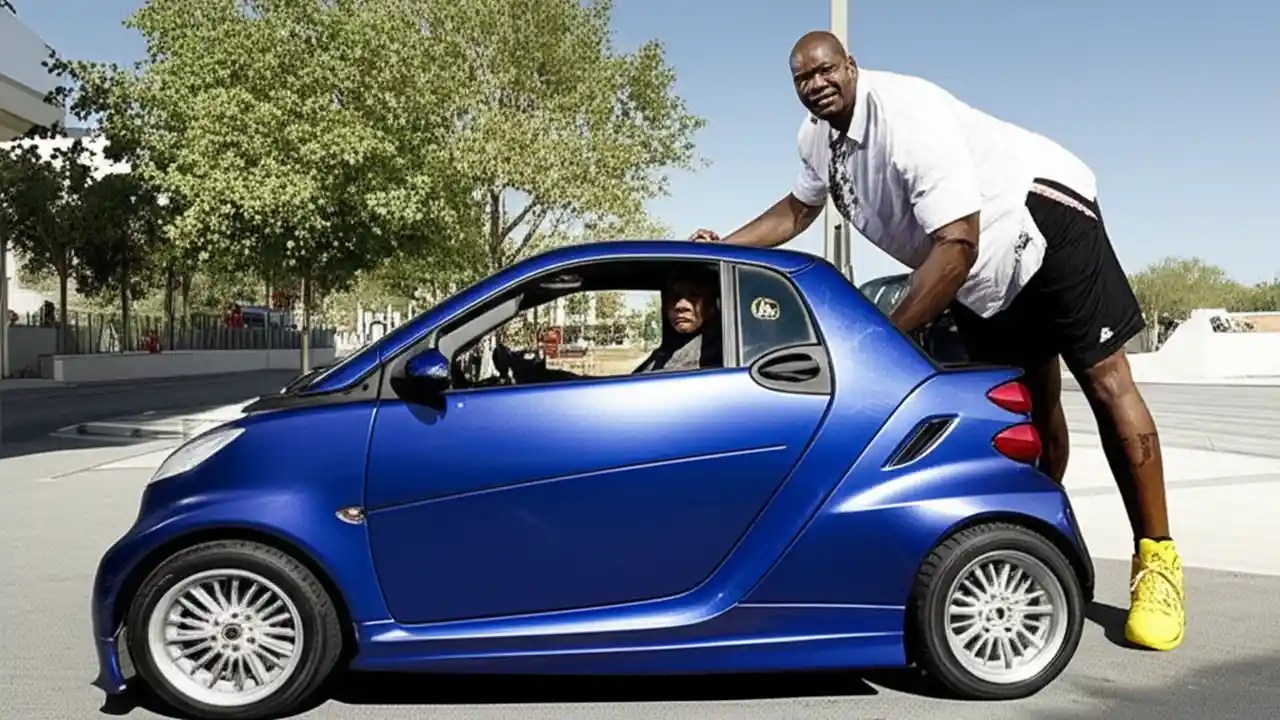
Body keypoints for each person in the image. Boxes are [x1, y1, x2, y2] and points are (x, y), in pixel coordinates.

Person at [689, 31, 1183, 651]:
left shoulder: (907, 117)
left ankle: (1157, 561)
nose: (816, 84)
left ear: (851, 67)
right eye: (802, 79)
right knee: (1028, 405)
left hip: (1040, 220)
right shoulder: (815, 139)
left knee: (1106, 381)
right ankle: (1042, 544)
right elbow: (797, 210)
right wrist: (718, 248)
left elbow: (957, 241)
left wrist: (886, 341)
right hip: (977, 274)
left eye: (826, 70)